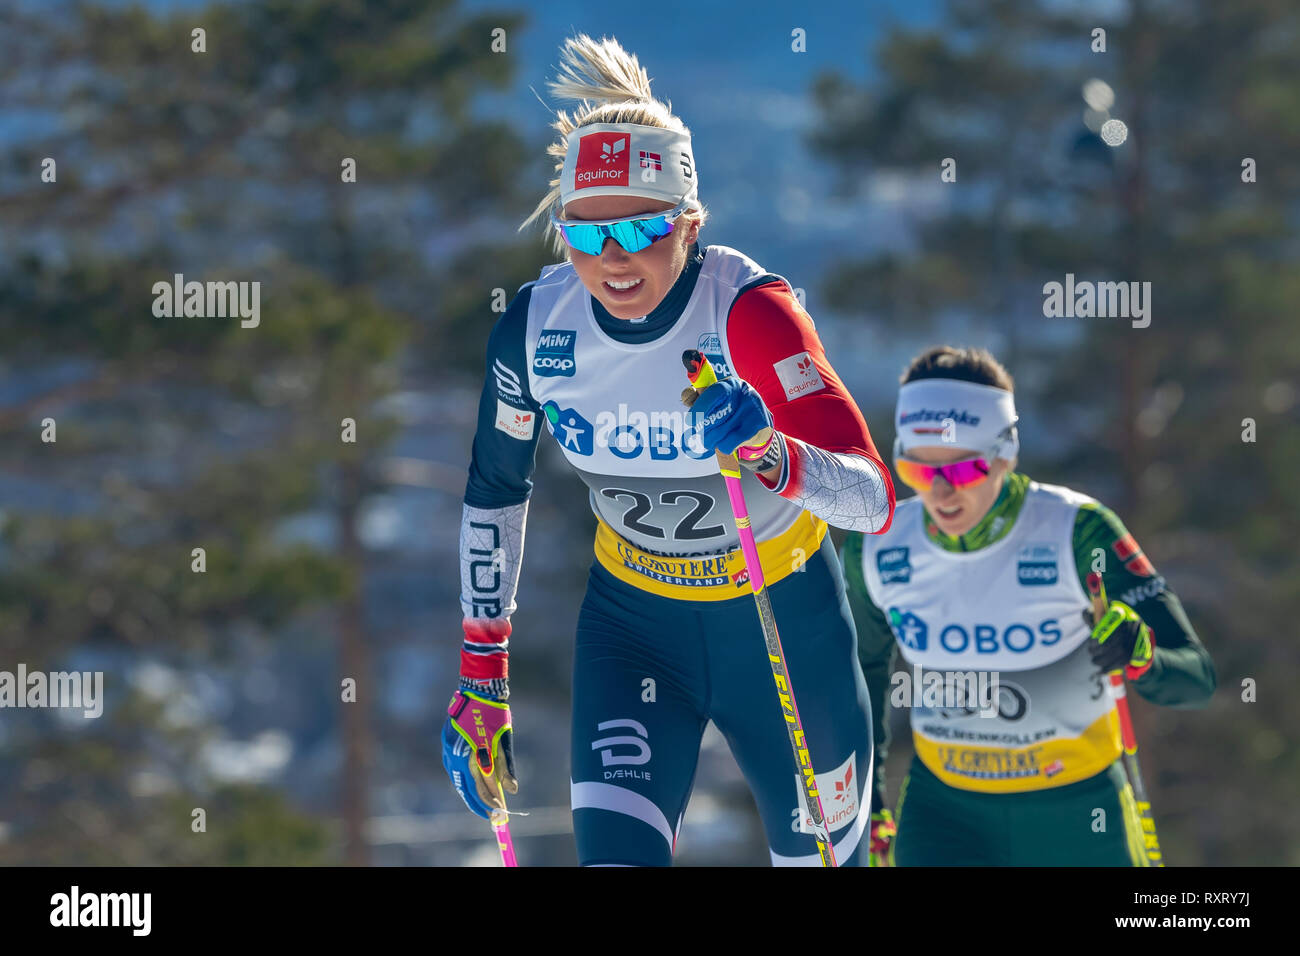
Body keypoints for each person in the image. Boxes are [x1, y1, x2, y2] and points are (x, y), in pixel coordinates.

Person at [441, 34, 896, 866]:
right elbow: (495, 490)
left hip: (783, 623)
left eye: (642, 228)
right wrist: (481, 670)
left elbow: (871, 497)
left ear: (690, 225)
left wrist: (772, 452)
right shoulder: (536, 331)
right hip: (634, 625)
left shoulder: (749, 314)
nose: (612, 259)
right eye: (585, 234)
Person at [843, 345, 1216, 866]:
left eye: (964, 469)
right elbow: (862, 676)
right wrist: (870, 796)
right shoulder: (879, 545)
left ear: (1004, 453)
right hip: (947, 813)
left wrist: (1143, 657)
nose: (943, 492)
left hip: (1078, 810)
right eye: (920, 471)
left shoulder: (1078, 530)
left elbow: (1196, 678)